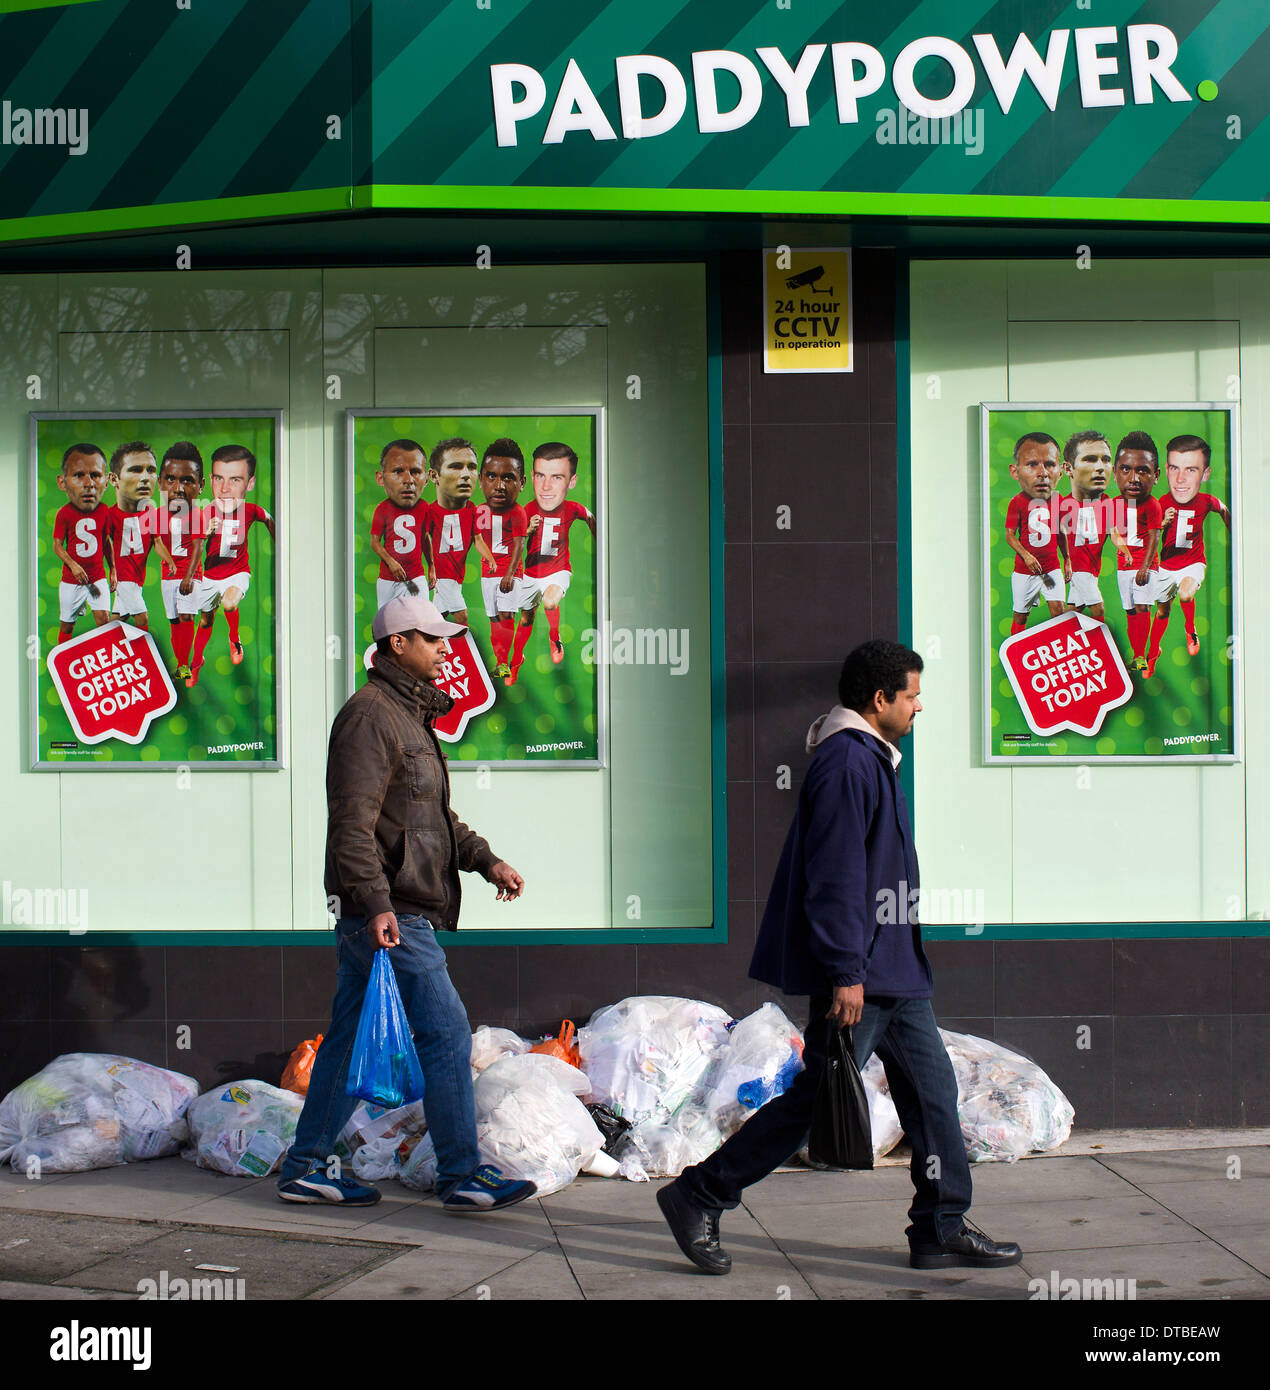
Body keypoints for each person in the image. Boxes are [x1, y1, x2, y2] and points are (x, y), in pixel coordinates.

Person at [657, 640, 1022, 1275]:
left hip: (896, 974)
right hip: (863, 975)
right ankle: (700, 1193)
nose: (918, 706)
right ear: (880, 700)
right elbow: (834, 878)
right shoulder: (847, 764)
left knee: (933, 1095)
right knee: (816, 1100)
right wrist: (845, 971)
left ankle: (940, 1225)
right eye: (911, 695)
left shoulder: (871, 758)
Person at [278, 593, 535, 1212]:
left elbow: (433, 819)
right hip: (391, 910)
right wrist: (376, 903)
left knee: (346, 1038)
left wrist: (485, 859)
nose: (446, 648)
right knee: (445, 1030)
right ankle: (461, 1174)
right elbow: (351, 825)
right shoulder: (370, 717)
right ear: (399, 644)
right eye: (434, 639)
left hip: (393, 907)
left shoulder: (407, 715)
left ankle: (307, 1165)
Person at [185, 444, 274, 685]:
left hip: (237, 572)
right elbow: (194, 550)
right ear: (211, 480)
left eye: (235, 480)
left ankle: (234, 638)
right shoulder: (205, 513)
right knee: (205, 621)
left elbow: (268, 518)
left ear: (250, 483)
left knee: (230, 601)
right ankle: (196, 662)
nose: (225, 488)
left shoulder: (251, 511)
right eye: (218, 479)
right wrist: (204, 532)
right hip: (211, 577)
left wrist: (280, 542)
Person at [1143, 434, 1231, 678]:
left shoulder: (1206, 501)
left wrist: (1234, 533)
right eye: (1174, 469)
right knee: (1161, 612)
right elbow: (1151, 536)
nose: (1181, 479)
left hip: (1192, 563)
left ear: (1205, 474)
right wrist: (1163, 522)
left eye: (1191, 470)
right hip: (1167, 567)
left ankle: (1190, 629)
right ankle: (1153, 653)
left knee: (1186, 593)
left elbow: (1223, 509)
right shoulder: (1162, 501)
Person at [508, 442, 595, 684]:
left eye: (556, 477)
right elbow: (515, 545)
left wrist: (603, 540)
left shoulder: (572, 509)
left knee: (550, 600)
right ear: (533, 478)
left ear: (572, 481)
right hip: (531, 575)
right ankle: (516, 661)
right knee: (526, 619)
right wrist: (527, 529)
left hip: (558, 571)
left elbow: (589, 516)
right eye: (540, 476)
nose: (546, 486)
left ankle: (555, 638)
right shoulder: (526, 510)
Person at [105, 441, 174, 634]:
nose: (145, 478)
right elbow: (103, 542)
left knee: (118, 619)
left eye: (150, 470)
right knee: (142, 618)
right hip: (124, 578)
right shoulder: (109, 516)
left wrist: (169, 561)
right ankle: (143, 654)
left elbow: (157, 541)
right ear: (114, 479)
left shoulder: (150, 513)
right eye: (135, 470)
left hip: (137, 578)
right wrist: (112, 570)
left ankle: (103, 647)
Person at [1108, 431, 1163, 671]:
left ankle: (1141, 655)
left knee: (1142, 607)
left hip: (1146, 567)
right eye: (1126, 469)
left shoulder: (1152, 505)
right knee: (1130, 611)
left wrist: (1145, 566)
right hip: (1124, 567)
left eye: (1143, 470)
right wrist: (1124, 551)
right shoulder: (1113, 504)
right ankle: (1138, 653)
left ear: (1156, 475)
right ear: (1115, 472)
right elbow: (1114, 533)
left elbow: (1154, 537)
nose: (1134, 478)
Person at [474, 438, 528, 677]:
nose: (499, 485)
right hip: (488, 574)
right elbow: (475, 540)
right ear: (480, 480)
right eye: (492, 476)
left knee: (507, 615)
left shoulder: (517, 512)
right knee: (494, 619)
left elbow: (519, 544)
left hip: (510, 574)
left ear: (521, 482)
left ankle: (505, 662)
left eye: (508, 477)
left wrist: (509, 574)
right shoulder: (479, 511)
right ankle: (502, 659)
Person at [424, 437, 493, 626]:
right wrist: (431, 567)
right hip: (444, 576)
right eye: (455, 466)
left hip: (456, 575)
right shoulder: (429, 512)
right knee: (462, 617)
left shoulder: (472, 510)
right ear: (434, 476)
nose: (465, 474)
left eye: (471, 467)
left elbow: (478, 539)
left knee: (436, 619)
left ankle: (427, 648)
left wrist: (490, 558)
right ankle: (465, 652)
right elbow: (423, 538)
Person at [1004, 432, 1067, 633]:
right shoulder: (1017, 502)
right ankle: (1015, 656)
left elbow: (1061, 531)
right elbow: (1009, 535)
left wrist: (1067, 559)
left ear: (1060, 470)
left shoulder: (1058, 500)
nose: (1042, 473)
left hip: (1051, 568)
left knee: (1059, 613)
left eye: (1049, 464)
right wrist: (1026, 556)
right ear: (1015, 472)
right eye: (1032, 465)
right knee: (1020, 616)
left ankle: (1059, 659)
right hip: (1025, 571)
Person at [156, 442, 208, 680]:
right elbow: (156, 543)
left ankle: (185, 665)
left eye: (187, 480)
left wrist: (189, 575)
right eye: (170, 479)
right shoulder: (158, 515)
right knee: (174, 621)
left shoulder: (195, 514)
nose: (178, 488)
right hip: (167, 576)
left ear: (200, 486)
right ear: (160, 483)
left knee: (187, 617)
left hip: (189, 576)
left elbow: (198, 546)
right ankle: (183, 662)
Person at [52, 442, 113, 642]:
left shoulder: (104, 511)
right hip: (72, 580)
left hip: (97, 577)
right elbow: (57, 545)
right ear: (63, 483)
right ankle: (62, 666)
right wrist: (73, 565)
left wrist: (113, 569)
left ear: (105, 480)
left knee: (104, 622)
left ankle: (105, 668)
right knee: (67, 626)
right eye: (79, 475)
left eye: (95, 475)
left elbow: (106, 541)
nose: (88, 483)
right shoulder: (64, 513)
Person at [370, 438, 433, 608]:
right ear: (380, 478)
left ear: (426, 478)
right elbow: (374, 542)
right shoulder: (382, 509)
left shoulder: (424, 508)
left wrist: (431, 567)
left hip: (416, 576)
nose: (408, 480)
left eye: (415, 471)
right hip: (389, 579)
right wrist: (391, 562)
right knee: (388, 625)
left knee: (422, 622)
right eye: (398, 471)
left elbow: (425, 537)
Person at [1061, 430, 1114, 623]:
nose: (1100, 467)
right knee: (1098, 610)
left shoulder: (1108, 504)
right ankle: (1100, 648)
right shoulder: (1061, 507)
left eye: (1106, 460)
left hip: (1092, 571)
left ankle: (1055, 638)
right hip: (1079, 571)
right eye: (1090, 459)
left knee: (1072, 611)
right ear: (1068, 469)